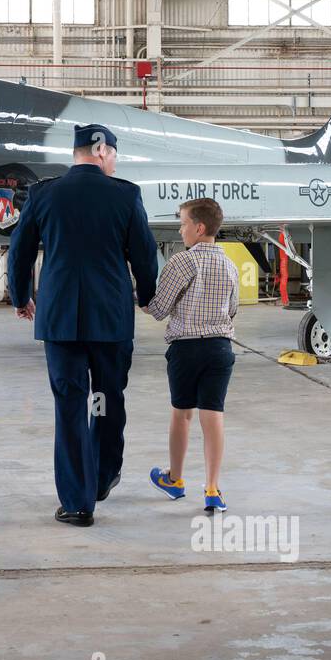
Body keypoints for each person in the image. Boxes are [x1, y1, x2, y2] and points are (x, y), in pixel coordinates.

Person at [6, 123, 159, 527]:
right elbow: (144, 254)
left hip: (59, 321)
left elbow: (18, 253)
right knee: (107, 399)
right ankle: (103, 476)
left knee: (71, 404)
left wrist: (21, 297)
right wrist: (147, 296)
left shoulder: (44, 193)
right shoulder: (126, 195)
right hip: (110, 319)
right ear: (104, 152)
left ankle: (76, 502)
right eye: (115, 155)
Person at [143, 198, 239, 514]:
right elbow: (234, 309)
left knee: (182, 413)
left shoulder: (182, 262)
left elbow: (158, 309)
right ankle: (212, 489)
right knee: (213, 415)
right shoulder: (230, 265)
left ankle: (176, 479)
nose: (180, 229)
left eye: (183, 223)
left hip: (186, 349)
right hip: (220, 349)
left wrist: (133, 295)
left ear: (199, 228)